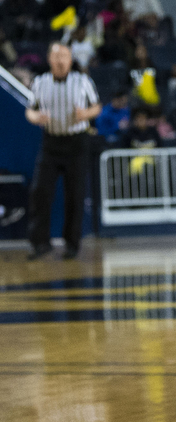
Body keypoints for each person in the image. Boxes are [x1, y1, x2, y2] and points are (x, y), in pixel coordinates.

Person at [25, 43, 100, 260]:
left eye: (64, 56)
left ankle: (72, 244)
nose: (60, 60)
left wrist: (85, 113)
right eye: (56, 56)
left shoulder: (82, 81)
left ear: (70, 59)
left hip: (76, 142)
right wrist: (35, 118)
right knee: (40, 192)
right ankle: (40, 244)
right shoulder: (40, 82)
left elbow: (96, 106)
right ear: (49, 59)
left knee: (75, 195)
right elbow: (30, 110)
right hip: (51, 143)